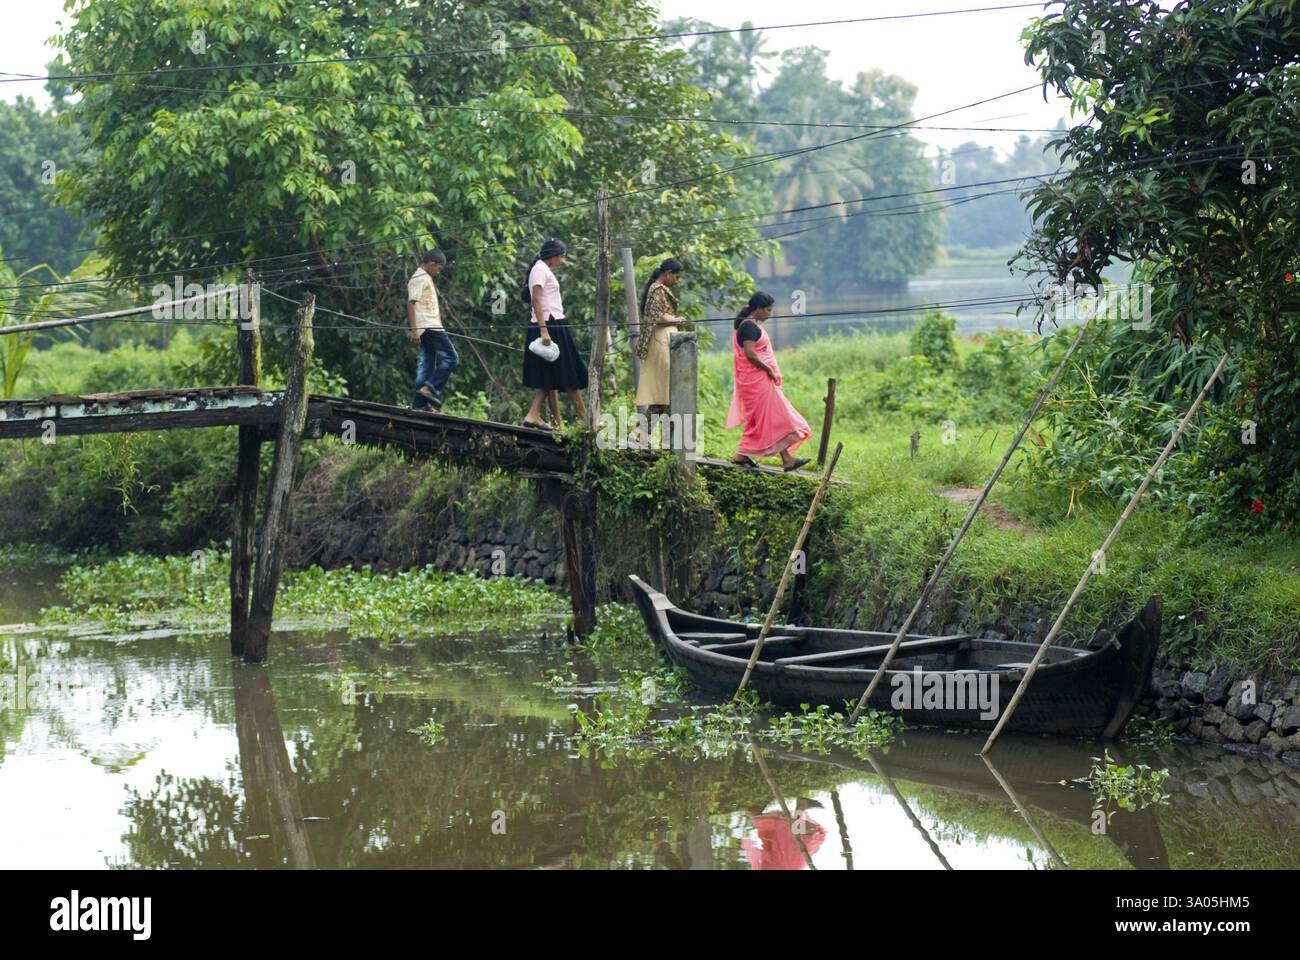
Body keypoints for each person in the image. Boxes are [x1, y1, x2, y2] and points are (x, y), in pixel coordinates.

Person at [726, 291, 811, 471]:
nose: (770, 314)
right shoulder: (748, 327)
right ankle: (782, 459)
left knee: (765, 418)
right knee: (773, 416)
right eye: (768, 310)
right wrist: (768, 370)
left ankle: (745, 455)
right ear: (757, 309)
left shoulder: (752, 325)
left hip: (758, 380)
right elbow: (750, 354)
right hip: (755, 381)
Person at [521, 238, 588, 429]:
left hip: (554, 323)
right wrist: (544, 330)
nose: (563, 261)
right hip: (550, 324)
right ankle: (585, 421)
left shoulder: (542, 269)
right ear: (554, 256)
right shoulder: (540, 270)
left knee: (549, 374)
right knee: (569, 372)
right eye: (562, 256)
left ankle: (533, 414)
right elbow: (536, 300)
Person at [635, 257, 685, 417]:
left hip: (664, 340)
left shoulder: (657, 288)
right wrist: (676, 319)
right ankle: (642, 435)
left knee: (664, 395)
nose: (677, 282)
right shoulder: (657, 289)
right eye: (676, 277)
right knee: (664, 392)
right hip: (660, 342)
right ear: (668, 273)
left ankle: (641, 436)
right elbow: (657, 316)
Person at [408, 249, 458, 411]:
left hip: (429, 326)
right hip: (429, 327)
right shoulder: (419, 278)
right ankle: (429, 389)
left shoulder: (425, 278)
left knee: (427, 367)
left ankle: (419, 405)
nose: (439, 271)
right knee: (452, 359)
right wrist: (414, 330)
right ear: (431, 264)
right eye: (438, 268)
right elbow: (411, 303)